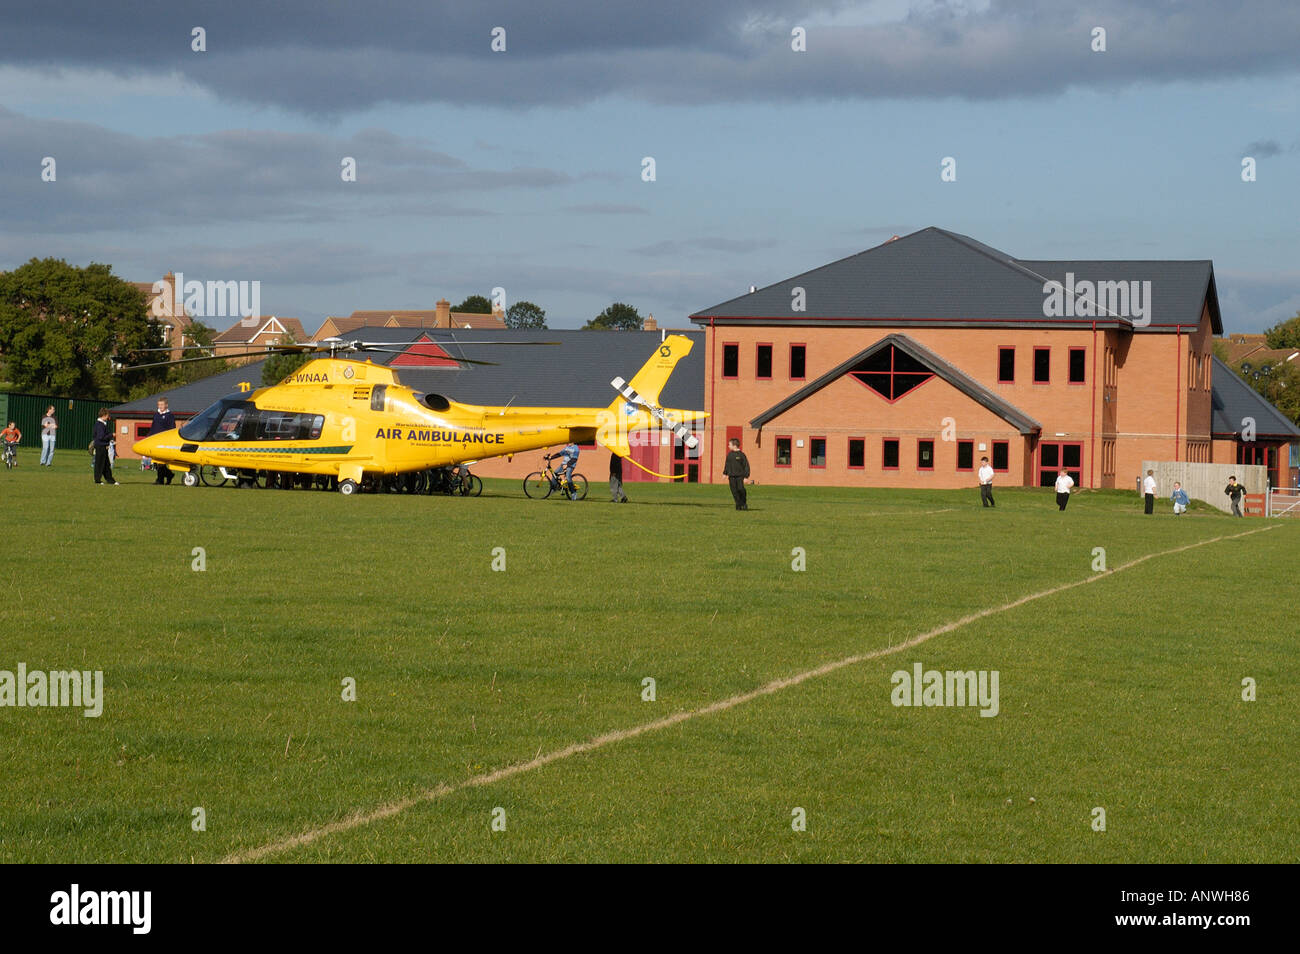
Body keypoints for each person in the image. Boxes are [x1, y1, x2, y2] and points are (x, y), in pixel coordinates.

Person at [150, 398, 176, 485]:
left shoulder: (170, 415)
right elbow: (153, 427)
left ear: (166, 405)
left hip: (164, 442)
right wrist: (149, 437)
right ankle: (169, 475)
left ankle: (160, 480)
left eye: (162, 405)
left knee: (161, 462)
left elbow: (172, 429)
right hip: (155, 441)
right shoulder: (156, 415)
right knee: (157, 462)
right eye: (159, 405)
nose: (160, 406)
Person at [723, 437, 752, 510]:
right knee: (734, 491)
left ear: (734, 445)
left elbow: (746, 466)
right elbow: (727, 464)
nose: (728, 446)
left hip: (740, 477)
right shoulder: (729, 455)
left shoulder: (742, 455)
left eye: (729, 444)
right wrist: (725, 473)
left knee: (741, 489)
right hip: (731, 476)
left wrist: (746, 477)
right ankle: (738, 504)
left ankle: (743, 503)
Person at [92, 409, 118, 485]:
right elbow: (101, 437)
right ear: (104, 415)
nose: (108, 417)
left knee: (106, 464)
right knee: (100, 464)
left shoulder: (101, 424)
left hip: (102, 445)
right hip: (100, 446)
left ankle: (110, 480)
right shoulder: (100, 425)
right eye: (107, 415)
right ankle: (98, 480)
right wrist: (111, 435)